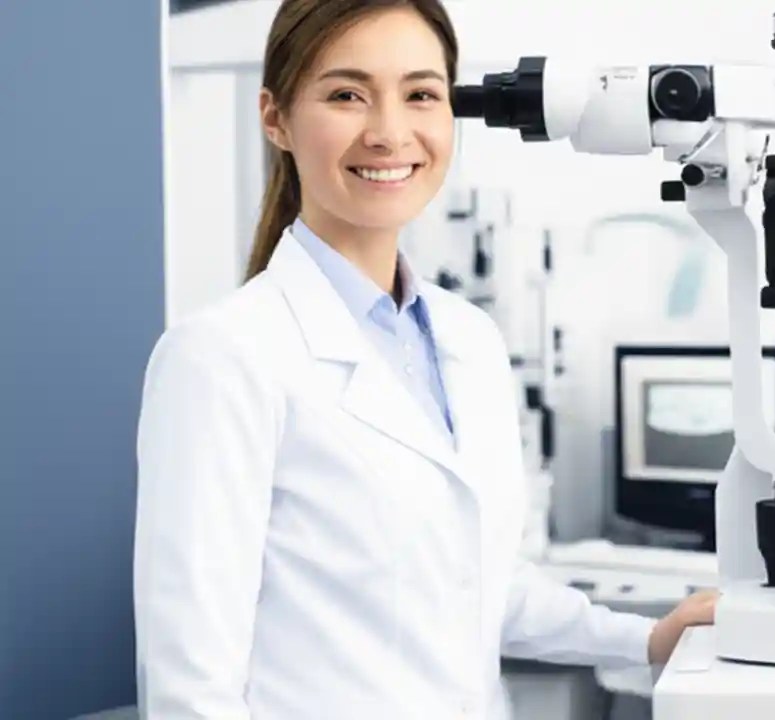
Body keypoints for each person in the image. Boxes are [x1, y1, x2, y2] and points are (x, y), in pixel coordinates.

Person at [133, 1, 715, 717]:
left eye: (420, 95)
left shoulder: (467, 338)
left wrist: (649, 639)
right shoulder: (220, 357)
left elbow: (487, 587)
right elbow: (192, 687)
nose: (388, 132)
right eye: (346, 95)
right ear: (275, 118)